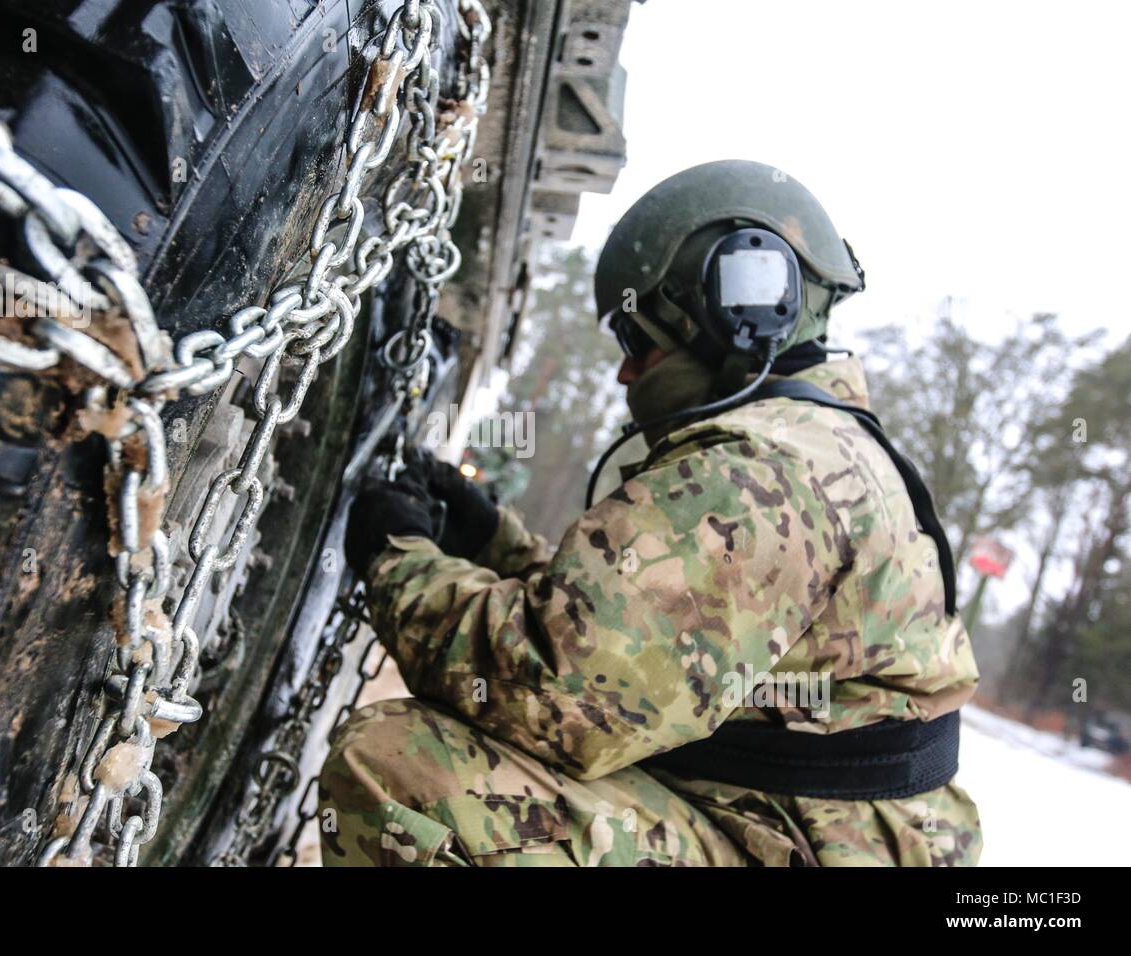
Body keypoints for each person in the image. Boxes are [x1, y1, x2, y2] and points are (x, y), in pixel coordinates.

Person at [321, 159, 982, 866]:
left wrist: (396, 559)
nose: (627, 374)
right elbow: (660, 639)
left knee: (403, 771)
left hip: (795, 837)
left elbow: (559, 694)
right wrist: (492, 542)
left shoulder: (758, 471)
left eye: (639, 342)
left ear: (734, 318)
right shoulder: (818, 445)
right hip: (804, 826)